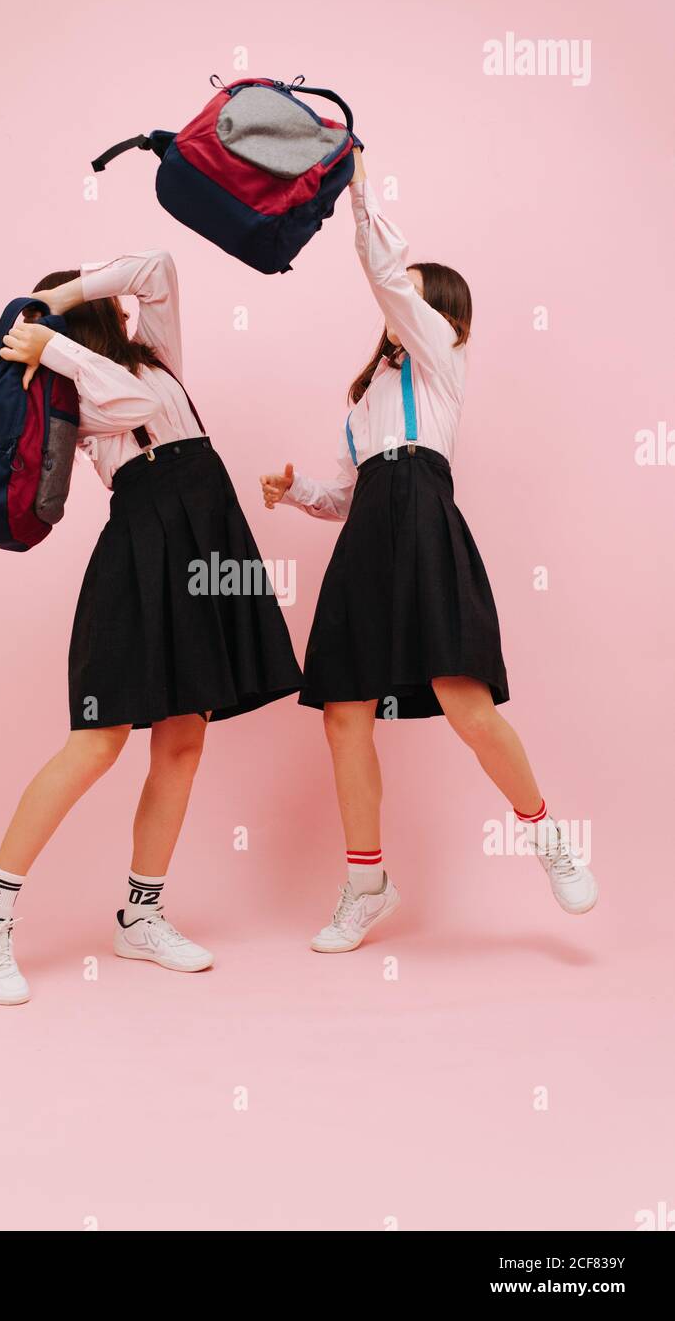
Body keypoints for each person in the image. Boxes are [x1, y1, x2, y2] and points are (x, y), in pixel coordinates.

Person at [261, 151, 597, 953]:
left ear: (438, 310)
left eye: (410, 292)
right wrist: (299, 486)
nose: (396, 301)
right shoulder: (365, 397)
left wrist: (359, 193)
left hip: (425, 523)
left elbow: (386, 281)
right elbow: (348, 496)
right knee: (343, 714)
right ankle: (367, 884)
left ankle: (551, 841)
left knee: (464, 699)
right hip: (371, 532)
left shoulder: (443, 357)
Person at [0, 250, 302, 1002]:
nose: (119, 302)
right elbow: (133, 408)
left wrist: (70, 292)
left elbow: (159, 266)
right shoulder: (69, 387)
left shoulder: (156, 355)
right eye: (99, 301)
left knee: (185, 736)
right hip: (143, 542)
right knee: (98, 740)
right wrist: (57, 347)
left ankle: (140, 916)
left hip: (210, 531)